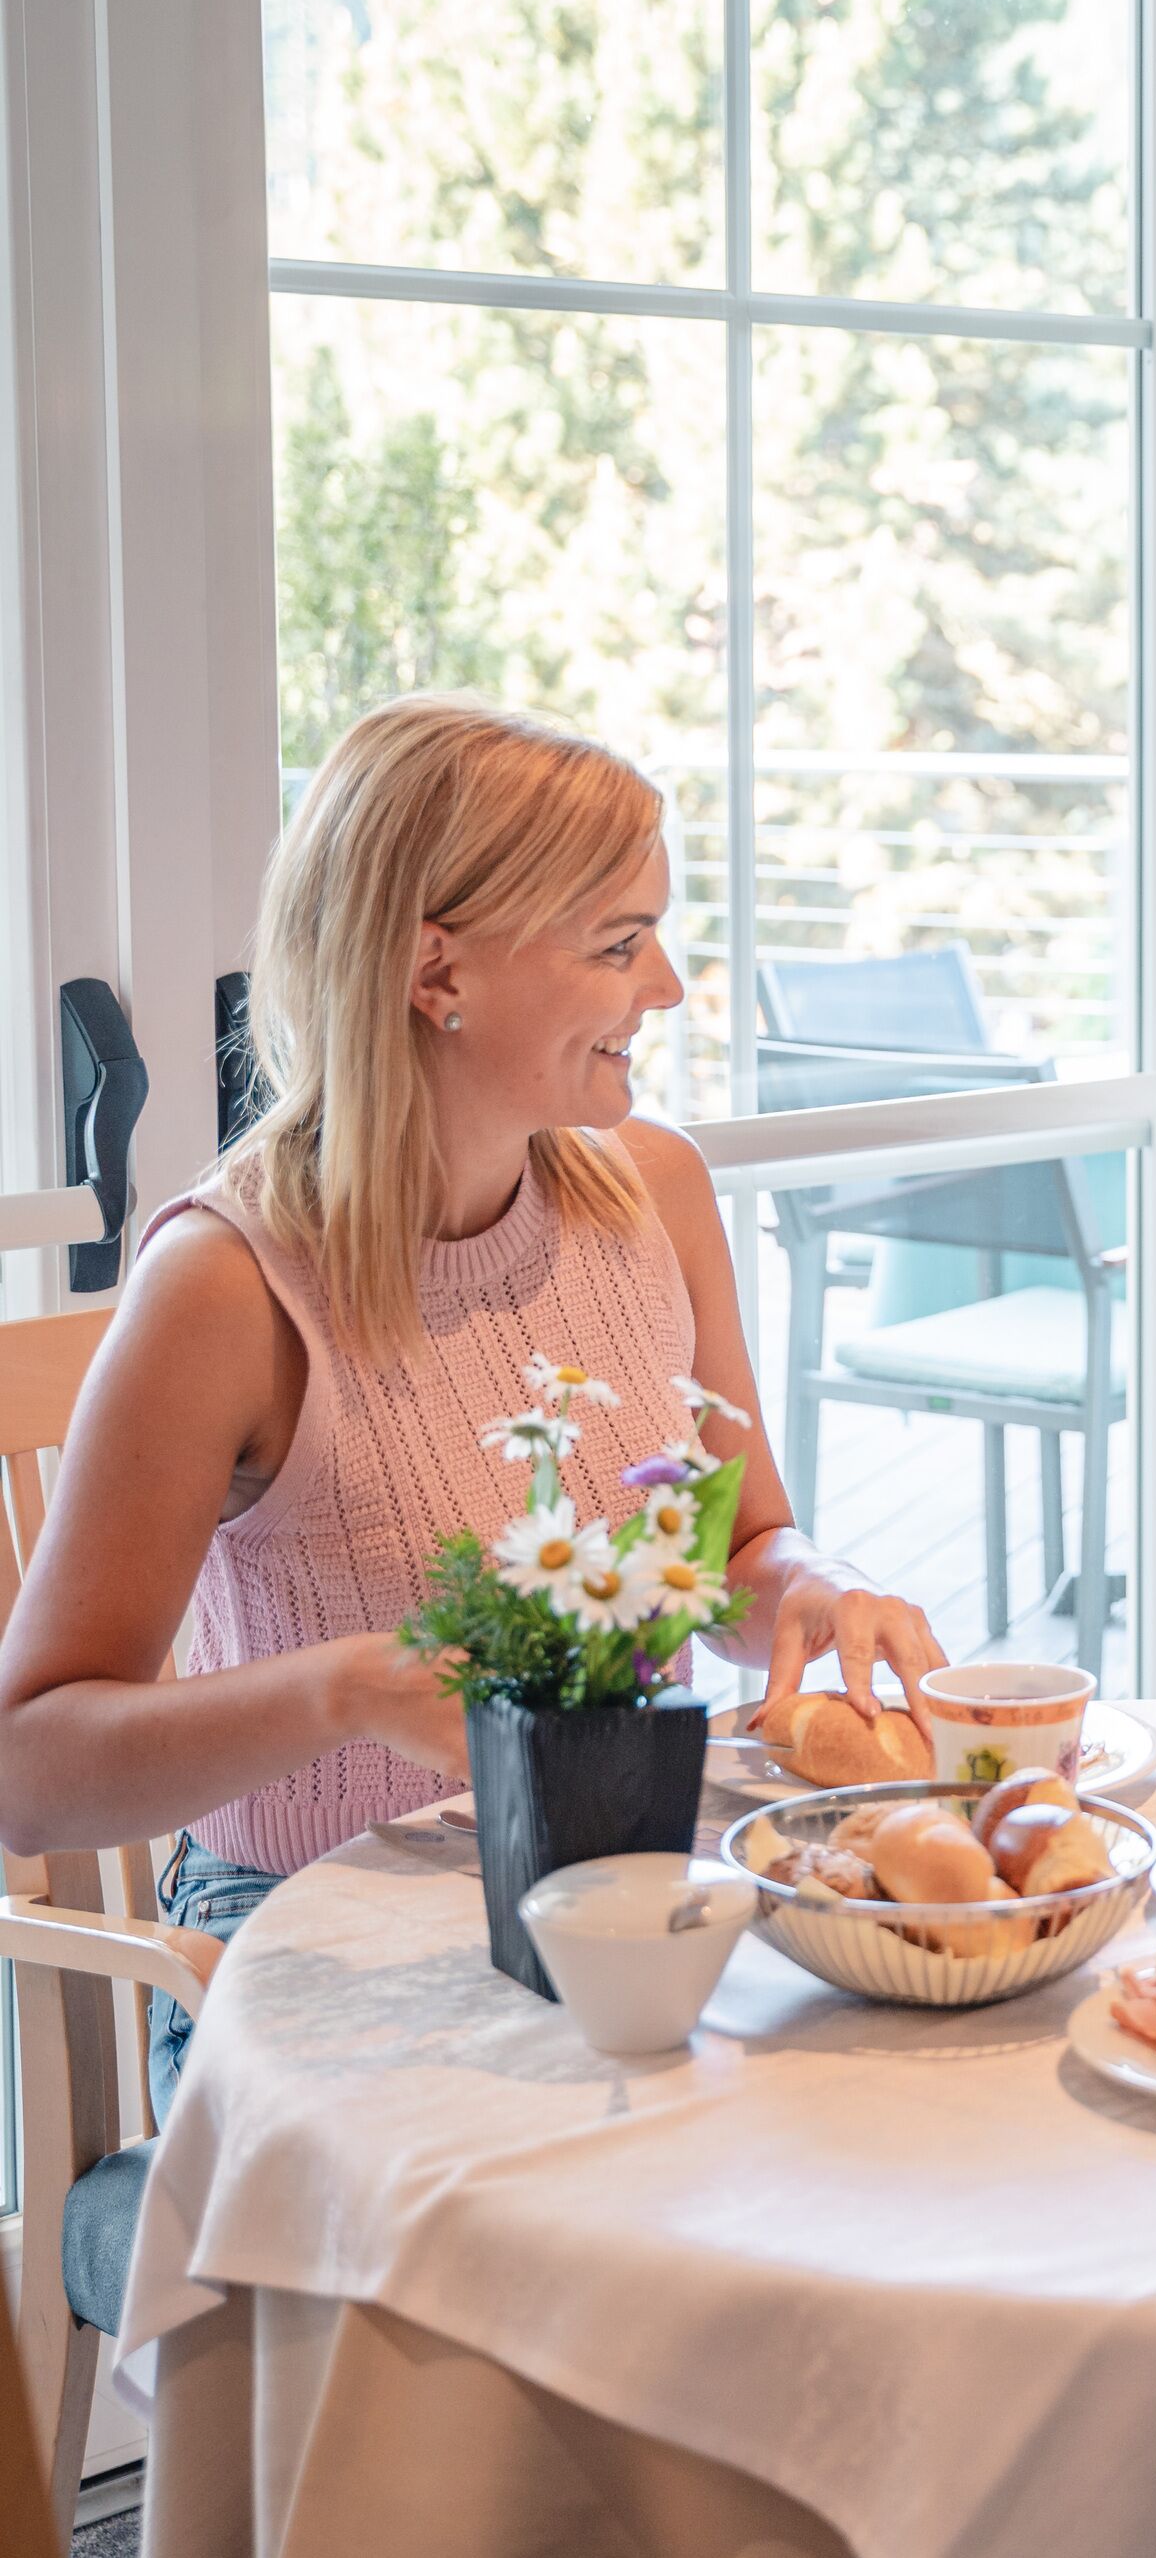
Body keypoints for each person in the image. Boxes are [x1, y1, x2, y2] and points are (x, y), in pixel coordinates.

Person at [0, 696, 949, 2105]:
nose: (671, 989)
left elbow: (738, 1556)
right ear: (435, 968)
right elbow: (31, 1768)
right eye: (620, 944)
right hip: (295, 1955)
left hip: (624, 1909)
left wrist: (813, 1583)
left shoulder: (660, 1196)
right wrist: (346, 1690)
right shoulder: (226, 1285)